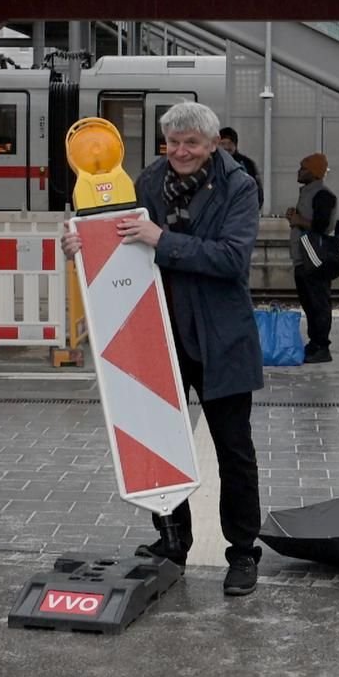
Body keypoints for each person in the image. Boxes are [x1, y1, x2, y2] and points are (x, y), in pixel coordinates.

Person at [63, 101, 267, 596]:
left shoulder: (240, 187)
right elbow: (117, 232)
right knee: (158, 438)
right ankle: (171, 541)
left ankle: (242, 553)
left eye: (191, 143)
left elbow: (231, 259)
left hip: (221, 338)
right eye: (172, 142)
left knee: (233, 451)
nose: (180, 152)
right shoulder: (149, 180)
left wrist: (163, 239)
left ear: (213, 144)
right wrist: (82, 244)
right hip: (160, 334)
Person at [285, 152, 337, 363]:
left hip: (314, 259)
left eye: (303, 168)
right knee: (309, 303)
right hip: (303, 258)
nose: (299, 171)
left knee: (318, 303)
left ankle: (322, 346)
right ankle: (314, 343)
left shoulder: (323, 194)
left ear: (314, 173)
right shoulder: (308, 192)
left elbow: (321, 225)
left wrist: (298, 219)